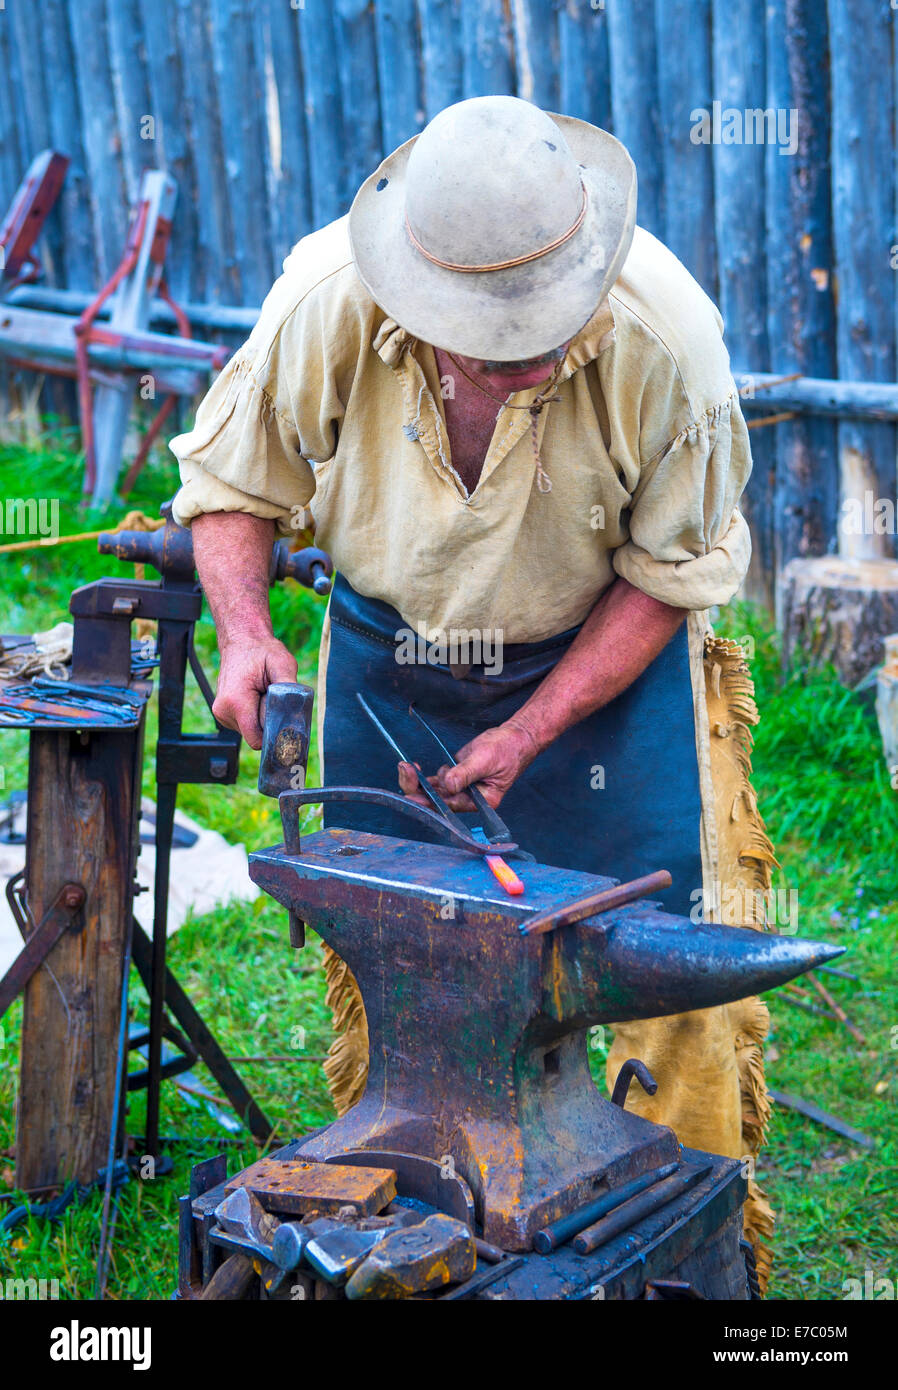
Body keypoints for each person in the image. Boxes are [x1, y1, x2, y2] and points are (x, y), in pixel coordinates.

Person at [170, 95, 776, 1286]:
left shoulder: (670, 342)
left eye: (549, 324)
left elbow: (670, 572)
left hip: (602, 656)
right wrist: (244, 635)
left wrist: (537, 725)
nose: (534, 354)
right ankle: (421, 1239)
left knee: (660, 988)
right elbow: (232, 482)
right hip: (391, 654)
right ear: (418, 307)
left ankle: (671, 1263)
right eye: (498, 340)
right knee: (408, 972)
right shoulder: (323, 301)